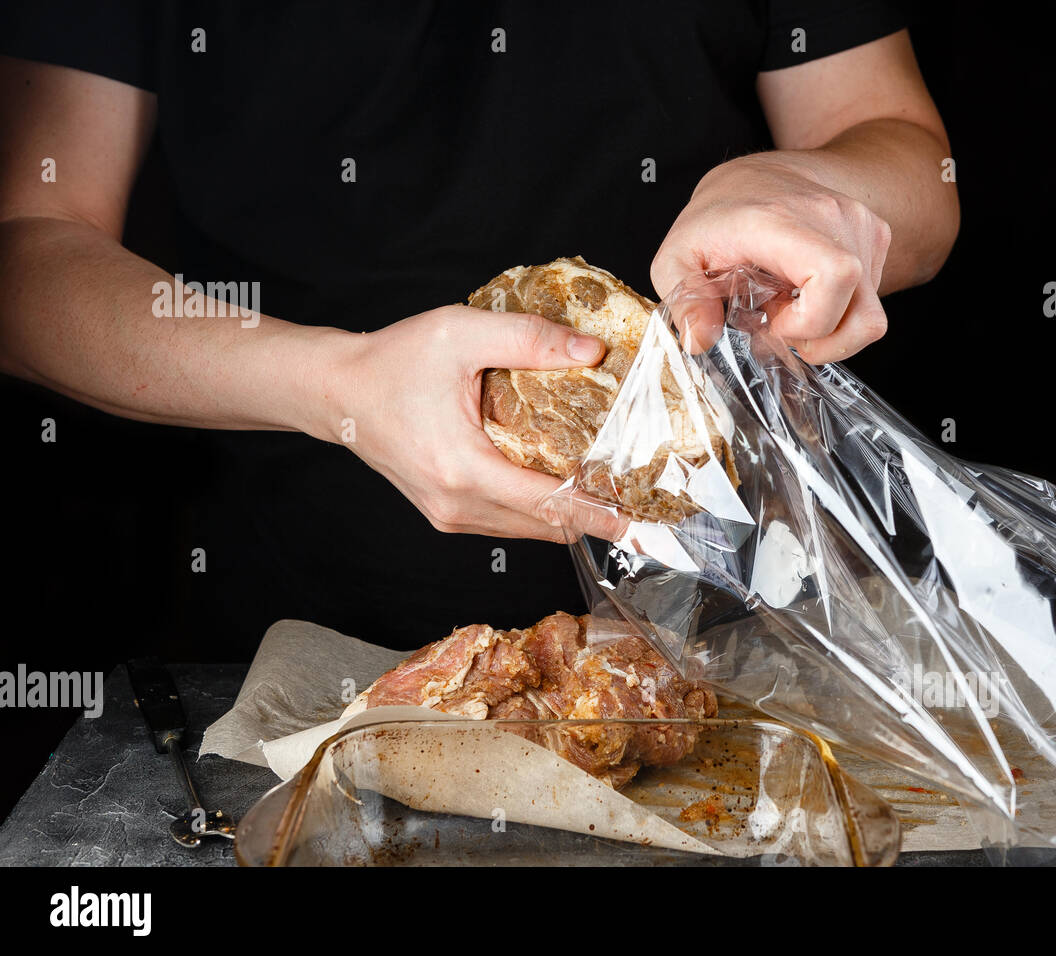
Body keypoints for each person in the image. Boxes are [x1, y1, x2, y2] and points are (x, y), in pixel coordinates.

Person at [0, 3, 958, 650]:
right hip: (297, 632)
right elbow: (30, 250)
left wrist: (796, 187)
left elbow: (903, 151)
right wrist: (336, 391)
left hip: (743, 618)